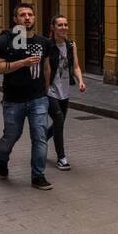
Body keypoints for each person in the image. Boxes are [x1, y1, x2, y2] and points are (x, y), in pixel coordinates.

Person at [0, 3, 54, 190]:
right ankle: (2, 160)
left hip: (38, 98)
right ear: (15, 19)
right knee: (11, 136)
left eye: (30, 14)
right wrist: (23, 63)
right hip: (13, 100)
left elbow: (46, 68)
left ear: (35, 18)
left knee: (39, 136)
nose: (27, 18)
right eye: (22, 15)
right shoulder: (6, 42)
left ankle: (38, 176)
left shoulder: (43, 42)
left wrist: (46, 91)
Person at [46, 13, 87, 171]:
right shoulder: (47, 45)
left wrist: (80, 81)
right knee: (59, 121)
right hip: (49, 90)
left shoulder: (71, 45)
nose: (64, 28)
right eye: (60, 25)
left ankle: (40, 139)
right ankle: (61, 157)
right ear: (53, 27)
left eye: (65, 25)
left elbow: (75, 66)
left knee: (59, 122)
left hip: (65, 90)